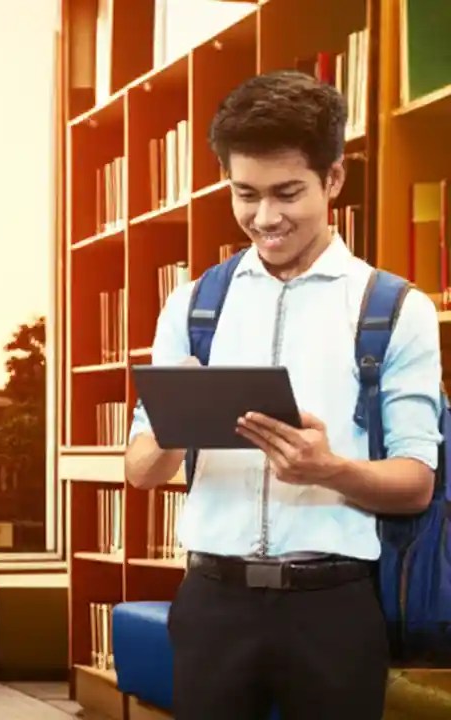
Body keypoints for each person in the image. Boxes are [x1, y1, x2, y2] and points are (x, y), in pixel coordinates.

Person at [124, 70, 442, 720]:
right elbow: (140, 472)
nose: (265, 218)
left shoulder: (392, 309)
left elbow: (417, 480)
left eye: (287, 193)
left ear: (333, 180)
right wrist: (177, 424)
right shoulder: (192, 309)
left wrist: (333, 470)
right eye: (245, 194)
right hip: (212, 602)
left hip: (336, 608)